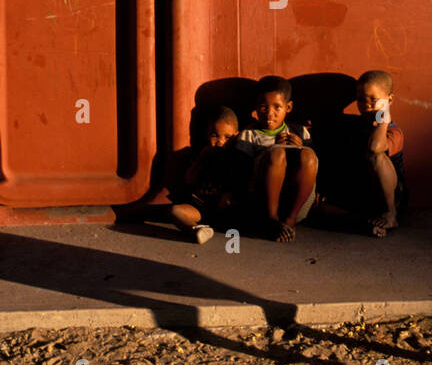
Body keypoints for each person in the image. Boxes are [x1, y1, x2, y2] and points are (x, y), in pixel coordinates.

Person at [318, 71, 407, 238]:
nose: (366, 105)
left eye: (373, 99)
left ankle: (390, 214)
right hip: (363, 193)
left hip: (391, 197)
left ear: (389, 100)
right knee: (321, 210)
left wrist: (383, 119)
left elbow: (375, 148)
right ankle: (363, 222)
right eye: (360, 99)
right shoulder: (355, 124)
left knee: (375, 156)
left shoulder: (393, 132)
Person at [234, 75, 318, 242]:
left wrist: (301, 146)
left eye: (277, 107)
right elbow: (240, 172)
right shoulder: (249, 135)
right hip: (262, 202)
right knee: (277, 153)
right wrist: (270, 151)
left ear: (289, 107)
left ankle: (290, 220)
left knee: (308, 154)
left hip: (295, 202)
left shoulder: (300, 131)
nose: (269, 113)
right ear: (256, 107)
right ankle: (271, 220)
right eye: (263, 107)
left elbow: (314, 165)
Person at [168, 107, 251, 244]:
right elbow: (189, 179)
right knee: (174, 210)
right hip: (200, 210)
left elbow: (240, 185)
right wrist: (201, 159)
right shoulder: (202, 154)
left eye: (227, 137)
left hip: (223, 210)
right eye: (214, 135)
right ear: (207, 134)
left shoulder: (237, 157)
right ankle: (197, 230)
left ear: (236, 136)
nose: (220, 141)